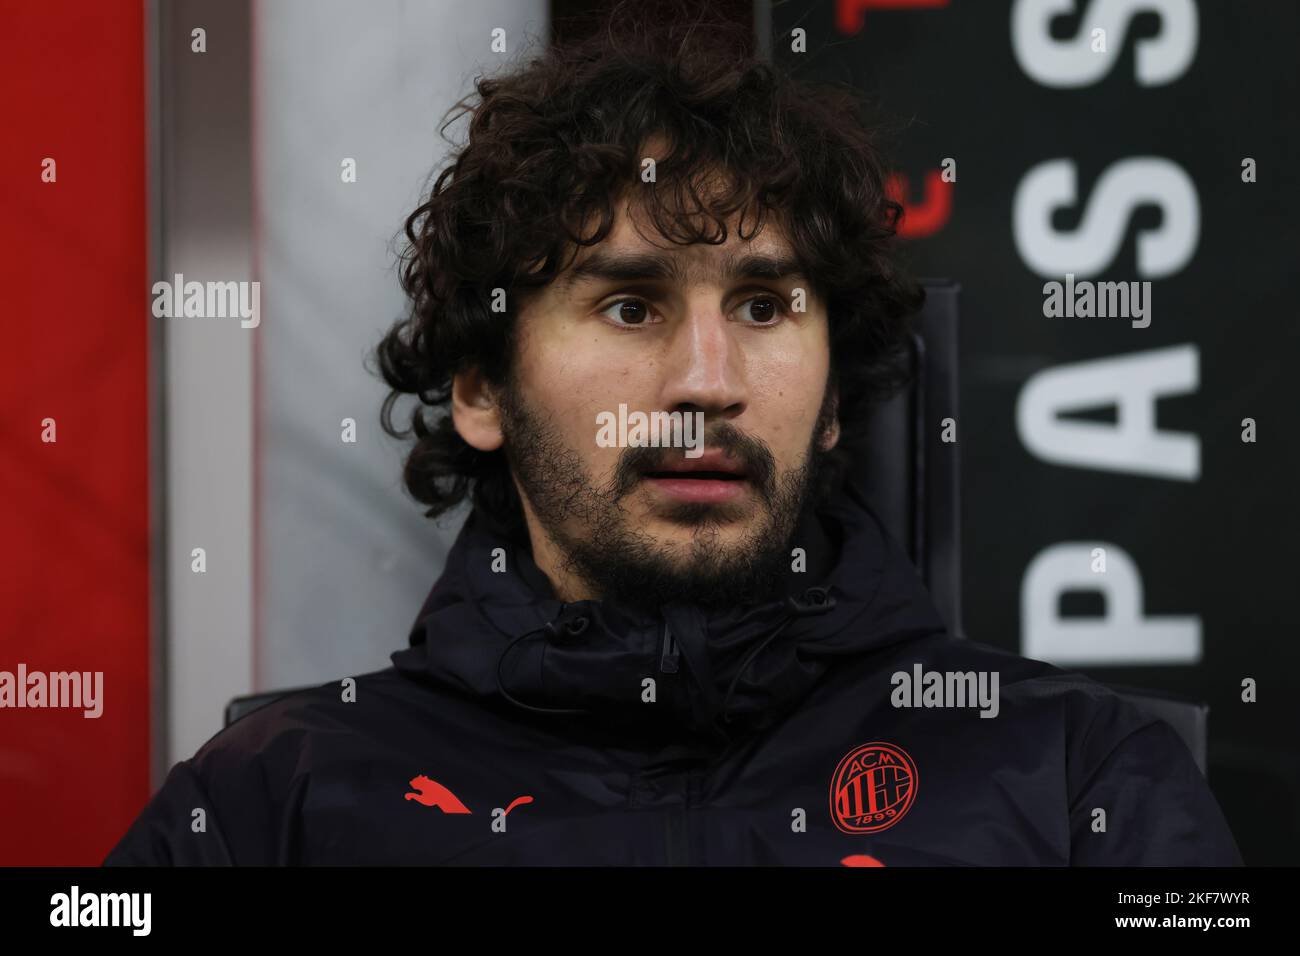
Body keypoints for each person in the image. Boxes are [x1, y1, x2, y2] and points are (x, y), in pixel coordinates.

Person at [103, 11, 1241, 866]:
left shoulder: (1084, 780)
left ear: (836, 396)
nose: (708, 383)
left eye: (762, 306)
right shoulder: (266, 809)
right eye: (630, 304)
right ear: (483, 390)